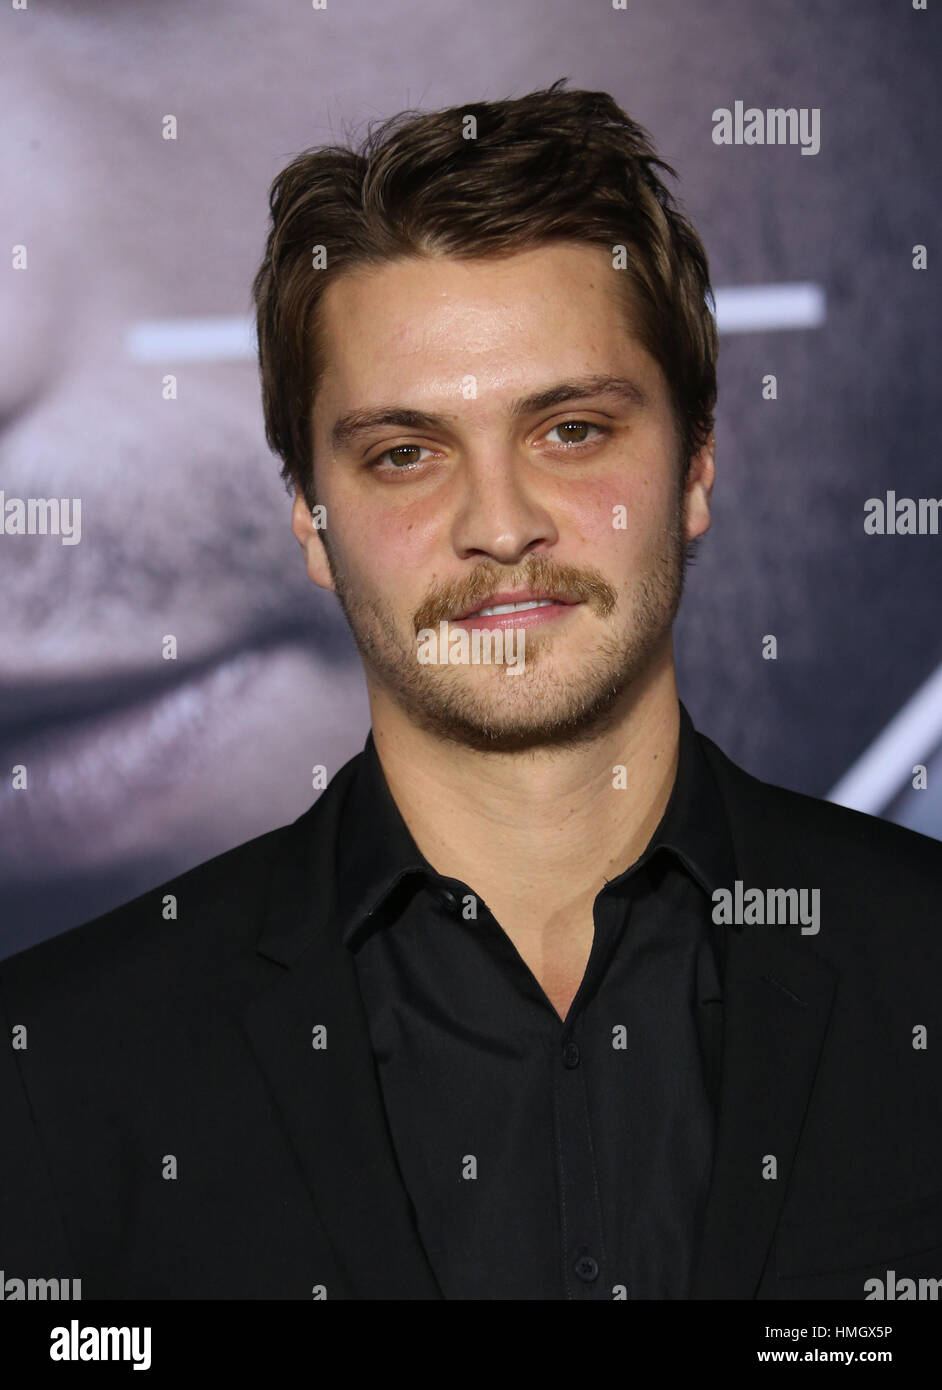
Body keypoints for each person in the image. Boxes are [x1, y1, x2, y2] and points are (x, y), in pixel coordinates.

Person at [2, 80, 941, 1302]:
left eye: (572, 430)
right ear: (313, 521)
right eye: (406, 453)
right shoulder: (60, 1063)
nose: (500, 527)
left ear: (697, 465)